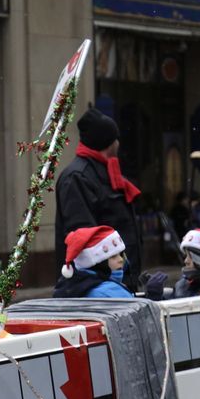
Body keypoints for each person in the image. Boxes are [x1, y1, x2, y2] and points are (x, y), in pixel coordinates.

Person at [55, 108, 142, 292]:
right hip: (99, 287)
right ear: (108, 142)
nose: (118, 143)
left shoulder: (105, 172)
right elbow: (83, 237)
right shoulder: (78, 177)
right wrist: (107, 278)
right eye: (115, 139)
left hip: (117, 279)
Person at [54, 225, 166, 300]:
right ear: (98, 263)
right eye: (113, 256)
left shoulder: (70, 286)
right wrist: (153, 296)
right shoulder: (109, 292)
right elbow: (141, 322)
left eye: (121, 254)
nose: (121, 260)